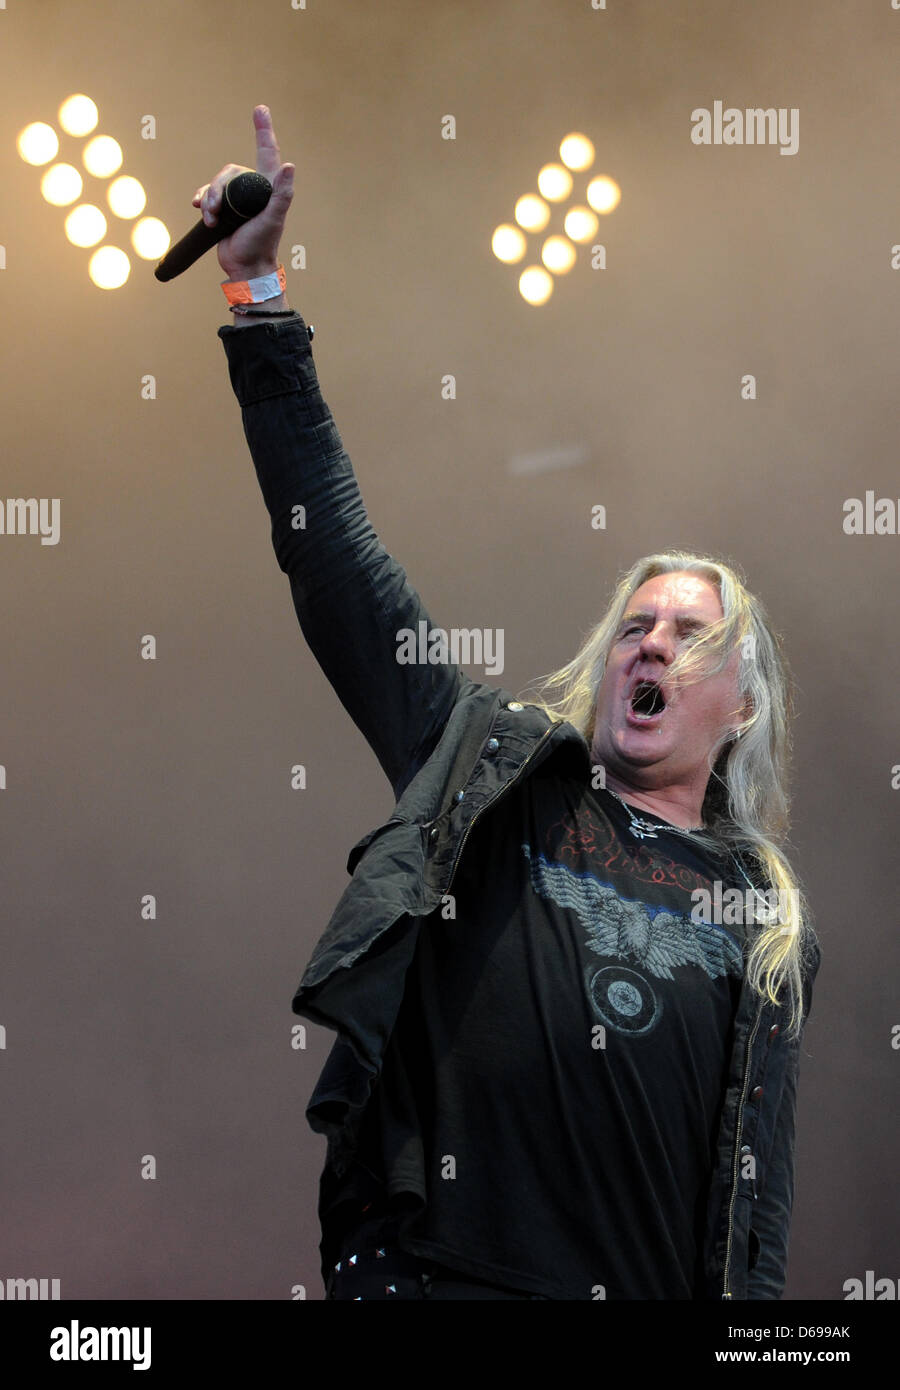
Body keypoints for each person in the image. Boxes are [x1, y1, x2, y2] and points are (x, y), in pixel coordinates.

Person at [203, 106, 820, 1300]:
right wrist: (259, 300)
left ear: (740, 702)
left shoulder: (765, 911)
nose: (650, 641)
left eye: (689, 634)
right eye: (634, 624)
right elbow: (338, 565)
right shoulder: (499, 778)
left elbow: (758, 1193)